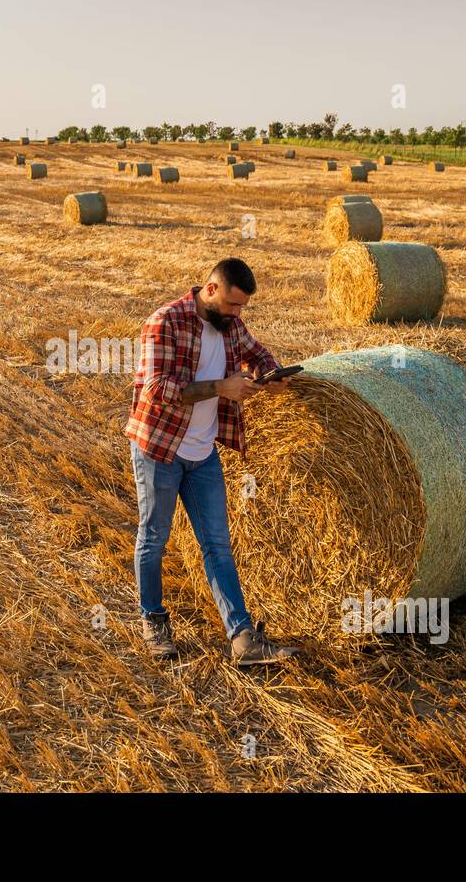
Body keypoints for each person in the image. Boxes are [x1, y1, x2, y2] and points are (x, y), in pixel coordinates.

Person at [124, 257, 301, 666]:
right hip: (160, 449)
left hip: (203, 454)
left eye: (242, 308)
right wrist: (222, 386)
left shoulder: (231, 326)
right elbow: (155, 389)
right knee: (154, 538)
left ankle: (242, 637)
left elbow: (257, 353)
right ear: (210, 289)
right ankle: (154, 621)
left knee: (218, 545)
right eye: (232, 305)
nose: (238, 315)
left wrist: (273, 377)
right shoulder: (166, 321)